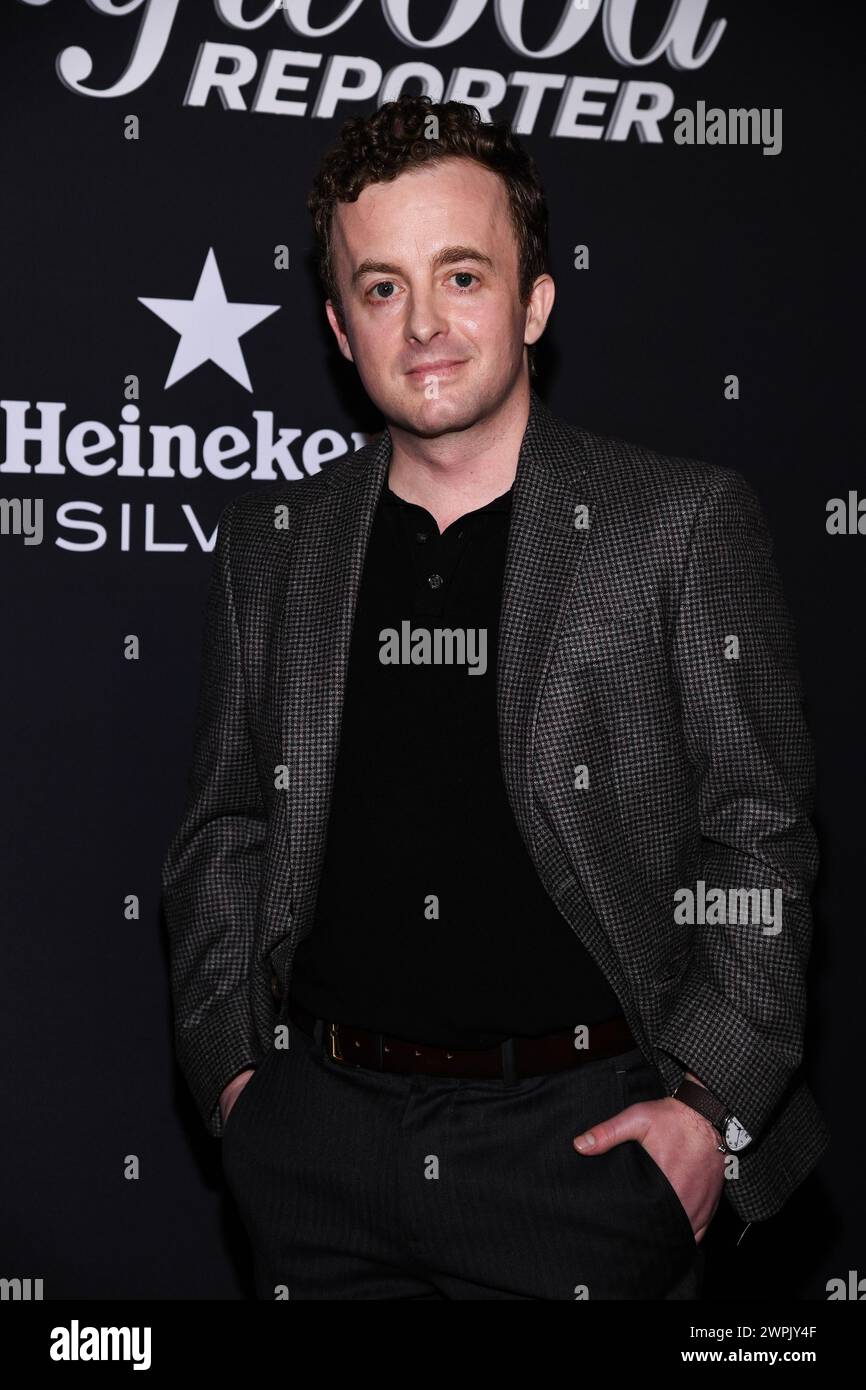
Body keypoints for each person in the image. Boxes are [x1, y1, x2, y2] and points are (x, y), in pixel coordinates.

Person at [160, 95, 828, 1300]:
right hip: (319, 1151)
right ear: (336, 323)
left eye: (461, 275)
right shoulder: (270, 542)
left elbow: (758, 838)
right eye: (380, 289)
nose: (422, 323)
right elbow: (223, 830)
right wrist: (240, 1087)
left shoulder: (677, 524)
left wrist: (701, 1105)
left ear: (533, 299)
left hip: (584, 1150)